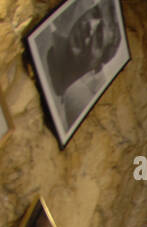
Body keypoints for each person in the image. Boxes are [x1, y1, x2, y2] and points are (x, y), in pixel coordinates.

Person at [44, 0, 122, 130]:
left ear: (97, 67)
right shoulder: (42, 42)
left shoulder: (64, 113)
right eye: (95, 13)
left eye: (98, 36)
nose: (90, 26)